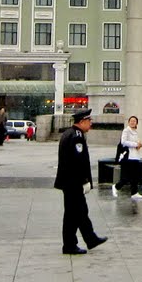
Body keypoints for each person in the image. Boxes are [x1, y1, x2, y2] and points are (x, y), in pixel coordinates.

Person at [54, 109, 106, 255]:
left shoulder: (68, 133)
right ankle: (70, 245)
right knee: (73, 214)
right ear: (82, 121)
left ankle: (91, 238)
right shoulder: (76, 136)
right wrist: (84, 180)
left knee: (80, 212)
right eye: (89, 121)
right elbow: (78, 161)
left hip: (69, 181)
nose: (91, 124)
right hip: (73, 182)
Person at [117, 115, 142, 198]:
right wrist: (135, 144)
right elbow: (123, 142)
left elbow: (137, 141)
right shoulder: (126, 131)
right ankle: (117, 186)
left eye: (134, 121)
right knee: (128, 176)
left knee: (136, 176)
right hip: (129, 156)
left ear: (137, 123)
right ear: (128, 122)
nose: (133, 122)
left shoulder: (136, 131)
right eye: (131, 121)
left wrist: (139, 144)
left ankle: (134, 193)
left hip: (136, 155)